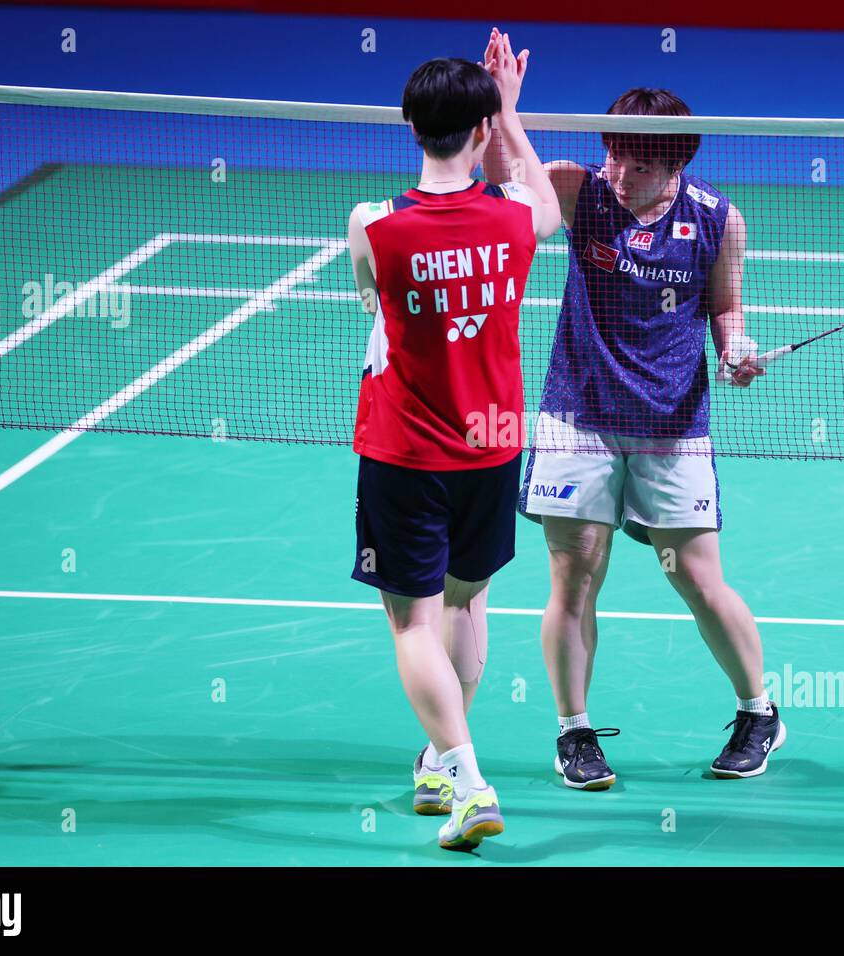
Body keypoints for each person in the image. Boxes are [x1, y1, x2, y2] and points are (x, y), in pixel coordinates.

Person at [480, 55, 784, 790]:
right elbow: (498, 173)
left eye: (640, 164)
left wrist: (737, 349)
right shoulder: (578, 190)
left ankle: (759, 711)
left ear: (676, 162)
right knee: (574, 577)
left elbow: (725, 308)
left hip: (672, 422)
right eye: (615, 152)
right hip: (577, 414)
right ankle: (574, 731)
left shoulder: (716, 219)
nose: (620, 172)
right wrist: (505, 105)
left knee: (697, 578)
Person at [347, 47, 561, 849]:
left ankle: (468, 780)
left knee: (412, 626)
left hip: (405, 453)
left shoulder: (374, 224)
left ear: (409, 127)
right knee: (467, 602)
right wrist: (509, 108)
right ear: (480, 129)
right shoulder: (515, 219)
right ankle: (441, 761)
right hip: (494, 445)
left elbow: (373, 297)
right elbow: (545, 200)